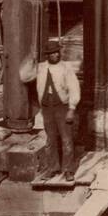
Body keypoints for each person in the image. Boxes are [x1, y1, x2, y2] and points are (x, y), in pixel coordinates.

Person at [21, 39, 81, 181]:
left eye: (57, 53)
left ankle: (68, 171)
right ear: (47, 55)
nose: (55, 55)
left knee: (67, 140)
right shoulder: (40, 67)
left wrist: (71, 109)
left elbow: (74, 88)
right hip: (47, 109)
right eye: (52, 53)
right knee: (51, 141)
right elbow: (24, 77)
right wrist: (31, 60)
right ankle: (52, 168)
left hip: (62, 107)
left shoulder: (66, 68)